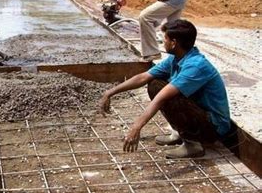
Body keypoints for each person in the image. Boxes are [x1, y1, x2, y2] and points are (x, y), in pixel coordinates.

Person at [99, 20, 233, 159]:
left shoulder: (196, 66)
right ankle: (180, 132)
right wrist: (110, 92)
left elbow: (162, 97)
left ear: (174, 43)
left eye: (165, 39)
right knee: (155, 83)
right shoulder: (177, 58)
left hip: (213, 127)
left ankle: (193, 144)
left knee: (167, 94)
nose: (163, 42)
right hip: (200, 114)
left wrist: (137, 126)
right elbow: (143, 77)